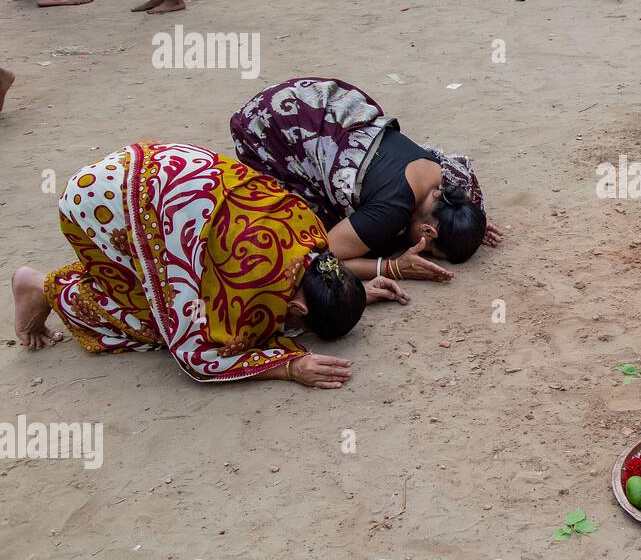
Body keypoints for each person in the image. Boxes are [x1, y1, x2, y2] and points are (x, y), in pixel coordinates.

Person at [11, 141, 410, 388]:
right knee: (153, 323)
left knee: (155, 283)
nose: (294, 330)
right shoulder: (254, 278)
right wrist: (288, 366)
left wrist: (349, 291)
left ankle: (109, 269)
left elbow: (319, 275)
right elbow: (197, 355)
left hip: (150, 172)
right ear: (300, 309)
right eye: (300, 324)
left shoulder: (309, 237)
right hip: (100, 205)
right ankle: (40, 287)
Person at [229, 78, 502, 282]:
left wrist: (469, 220)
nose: (422, 251)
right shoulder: (390, 211)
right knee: (304, 232)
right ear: (428, 233)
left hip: (305, 96)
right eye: (429, 251)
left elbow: (461, 202)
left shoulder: (438, 173)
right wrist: (393, 267)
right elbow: (321, 259)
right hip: (264, 125)